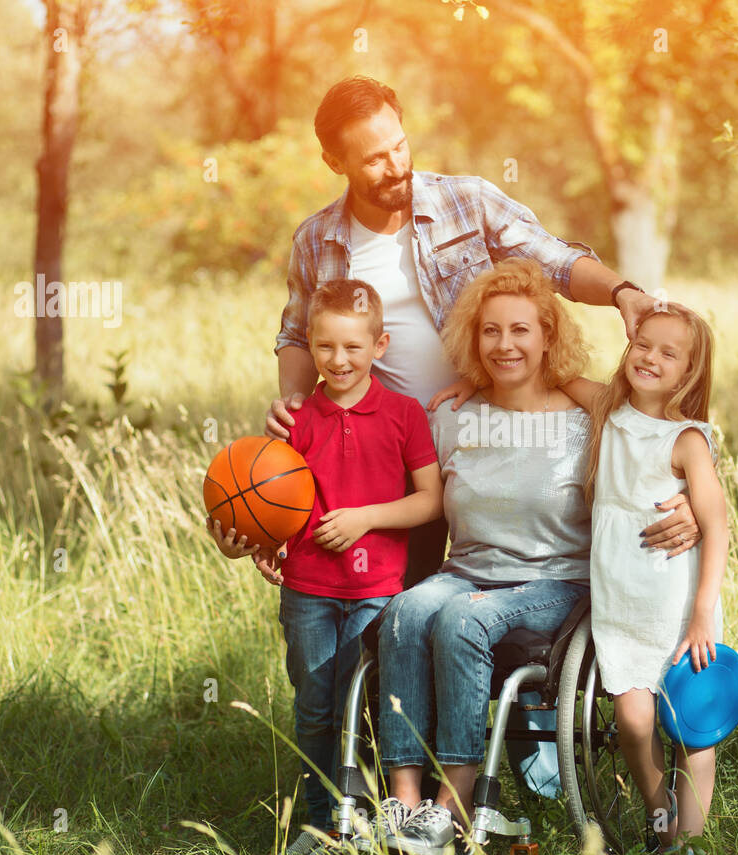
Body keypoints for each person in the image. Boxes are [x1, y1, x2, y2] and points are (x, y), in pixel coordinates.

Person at [264, 75, 704, 589]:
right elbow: (296, 336)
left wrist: (622, 292)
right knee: (387, 607)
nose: (396, 166)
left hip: (482, 441)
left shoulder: (466, 202)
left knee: (492, 594)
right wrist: (294, 416)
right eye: (373, 160)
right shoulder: (317, 239)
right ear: (335, 163)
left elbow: (557, 260)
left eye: (399, 146)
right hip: (388, 457)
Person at [208, 279, 443, 855]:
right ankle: (324, 827)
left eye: (353, 348)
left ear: (380, 345)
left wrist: (365, 519)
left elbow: (431, 501)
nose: (339, 361)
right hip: (309, 591)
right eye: (325, 347)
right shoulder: (295, 421)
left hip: (378, 592)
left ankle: (374, 818)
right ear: (308, 345)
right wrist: (255, 543)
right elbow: (275, 501)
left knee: (367, 704)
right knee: (315, 705)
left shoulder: (404, 414)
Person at [365, 260, 592, 855]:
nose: (505, 344)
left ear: (548, 335)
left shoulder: (584, 424)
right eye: (490, 331)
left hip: (554, 582)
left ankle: (456, 804)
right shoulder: (452, 416)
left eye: (520, 330)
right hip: (466, 571)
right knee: (408, 611)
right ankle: (404, 803)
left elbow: (665, 444)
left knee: (465, 617)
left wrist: (692, 511)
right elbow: (404, 495)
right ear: (474, 338)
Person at [578, 302, 729, 855]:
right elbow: (544, 373)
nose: (650, 358)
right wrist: (465, 390)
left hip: (677, 609)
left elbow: (717, 526)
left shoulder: (687, 439)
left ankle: (685, 848)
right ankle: (658, 810)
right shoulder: (605, 409)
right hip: (620, 608)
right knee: (634, 720)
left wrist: (703, 613)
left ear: (689, 370)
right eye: (643, 344)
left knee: (691, 726)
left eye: (669, 353)